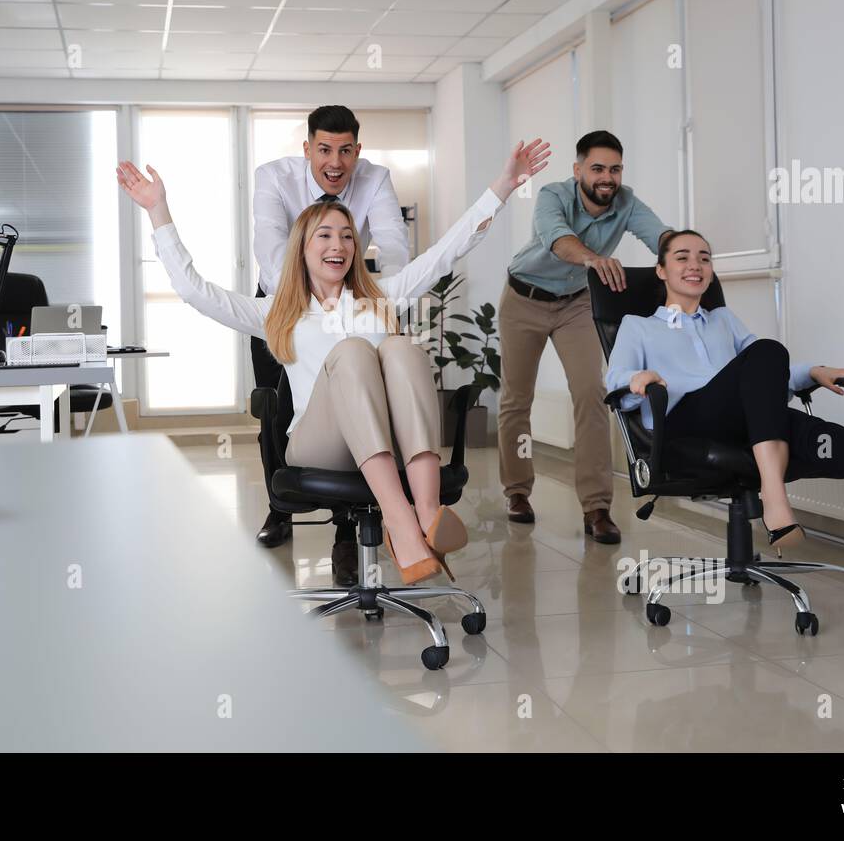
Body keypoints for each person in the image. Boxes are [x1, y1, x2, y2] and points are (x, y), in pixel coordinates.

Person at [117, 138, 550, 584]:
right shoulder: (275, 313)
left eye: (347, 236)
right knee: (353, 352)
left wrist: (502, 186)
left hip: (387, 438)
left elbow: (447, 251)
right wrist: (157, 212)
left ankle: (425, 512)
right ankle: (398, 520)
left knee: (401, 347)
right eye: (324, 235)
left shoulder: (379, 299)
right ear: (301, 247)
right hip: (317, 444)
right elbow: (194, 290)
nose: (338, 244)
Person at [603, 229, 844, 549]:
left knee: (795, 420)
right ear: (661, 270)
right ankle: (774, 497)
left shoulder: (723, 320)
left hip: (743, 420)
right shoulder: (638, 325)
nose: (695, 265)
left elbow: (764, 376)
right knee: (769, 361)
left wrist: (814, 372)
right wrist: (636, 379)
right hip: (684, 422)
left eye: (704, 258)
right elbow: (615, 379)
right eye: (682, 257)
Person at [250, 106, 411, 586]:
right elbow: (271, 246)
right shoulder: (272, 177)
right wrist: (310, 296)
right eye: (324, 150)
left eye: (345, 151)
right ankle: (280, 510)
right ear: (307, 149)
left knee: (354, 406)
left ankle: (349, 531)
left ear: (357, 151)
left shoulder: (376, 179)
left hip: (346, 297)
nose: (335, 163)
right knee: (276, 406)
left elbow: (395, 247)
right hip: (280, 299)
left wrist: (370, 294)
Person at [498, 129, 671, 543]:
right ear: (578, 170)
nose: (606, 177)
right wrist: (593, 259)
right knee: (517, 399)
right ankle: (517, 491)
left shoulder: (626, 201)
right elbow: (557, 239)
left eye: (614, 169)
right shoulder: (553, 196)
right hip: (524, 298)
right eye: (597, 168)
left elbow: (659, 235)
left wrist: (682, 250)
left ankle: (597, 507)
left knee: (592, 394)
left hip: (576, 302)